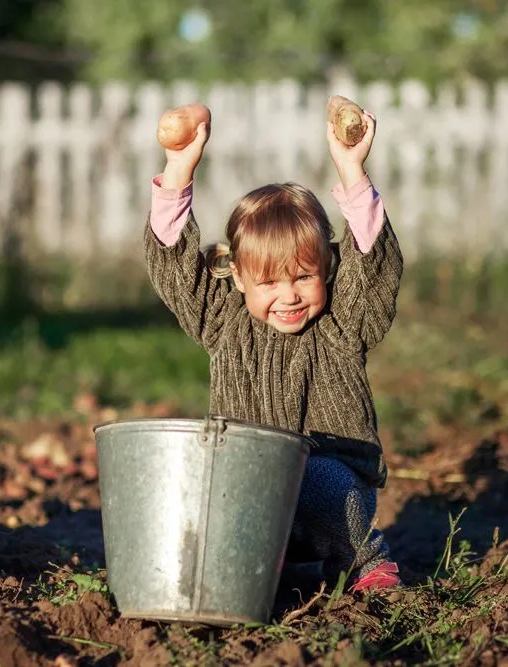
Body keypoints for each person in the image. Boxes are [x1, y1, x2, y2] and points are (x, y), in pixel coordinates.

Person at [143, 106, 403, 592]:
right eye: (268, 282)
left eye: (303, 277)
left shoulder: (342, 323)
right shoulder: (223, 321)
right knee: (197, 487)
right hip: (249, 491)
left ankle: (364, 560)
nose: (289, 296)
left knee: (317, 481)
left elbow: (372, 266)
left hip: (329, 487)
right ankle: (266, 573)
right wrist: (179, 168)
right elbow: (175, 268)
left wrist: (352, 169)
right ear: (238, 277)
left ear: (326, 268)